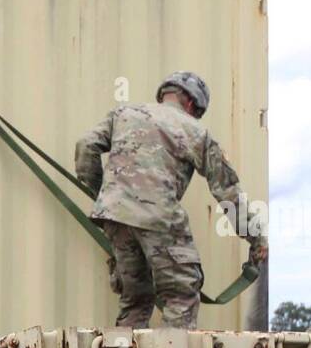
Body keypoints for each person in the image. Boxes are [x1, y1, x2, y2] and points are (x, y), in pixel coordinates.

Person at [74, 72, 268, 330]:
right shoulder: (196, 132)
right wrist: (256, 239)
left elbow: (86, 145)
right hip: (159, 218)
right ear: (191, 104)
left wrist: (103, 196)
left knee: (135, 299)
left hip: (114, 218)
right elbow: (227, 193)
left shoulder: (123, 114)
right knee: (181, 294)